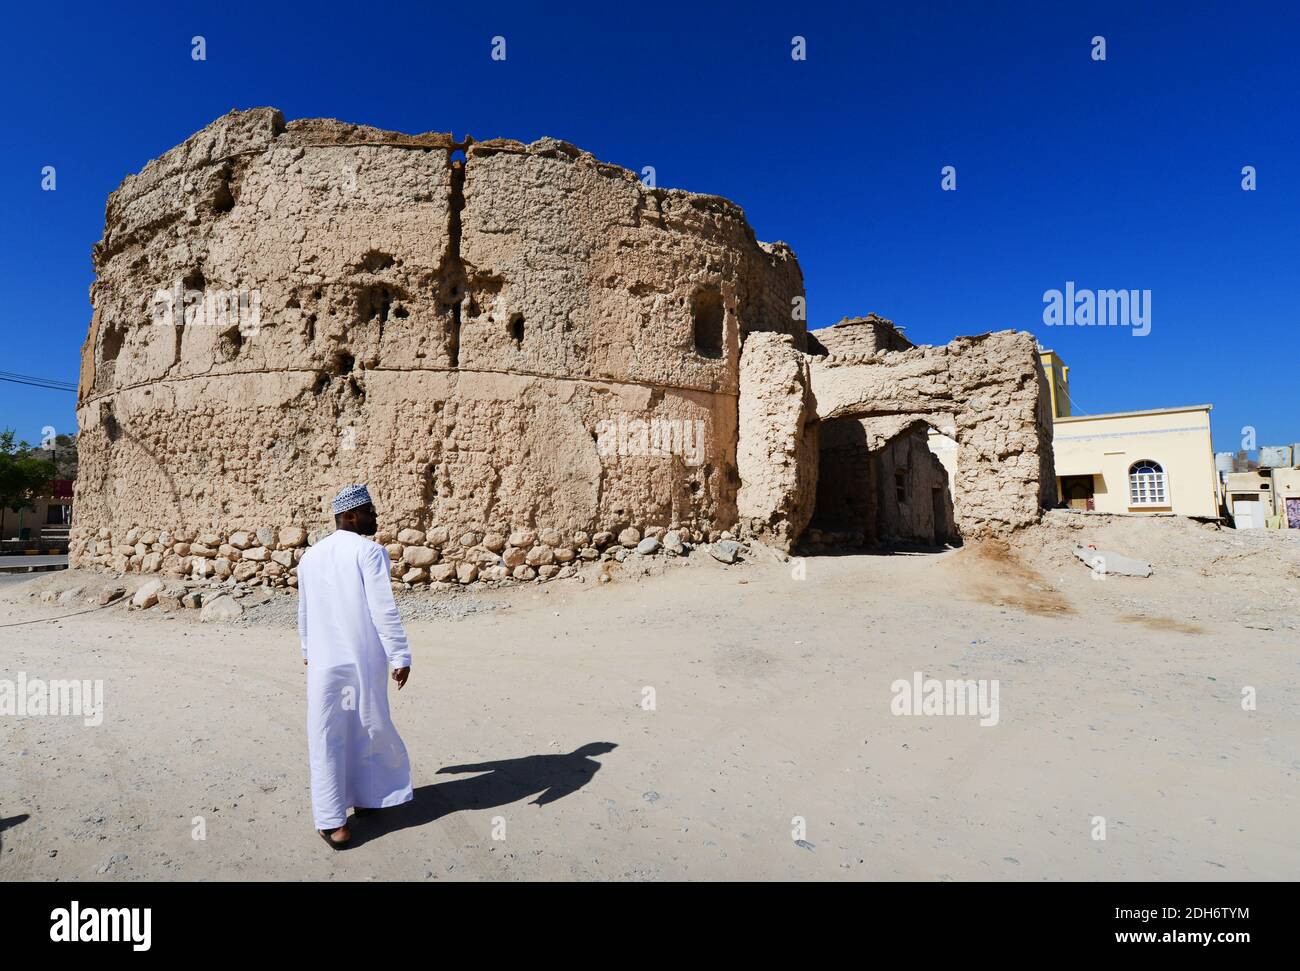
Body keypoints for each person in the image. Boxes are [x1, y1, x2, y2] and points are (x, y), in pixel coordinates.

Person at [297, 484, 413, 849]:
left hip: (325, 665)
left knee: (328, 736)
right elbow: (384, 609)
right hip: (362, 661)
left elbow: (303, 612)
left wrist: (306, 649)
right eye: (369, 511)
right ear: (349, 516)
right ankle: (353, 809)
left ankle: (337, 821)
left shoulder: (310, 557)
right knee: (367, 726)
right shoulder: (369, 552)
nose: (375, 517)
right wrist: (400, 655)